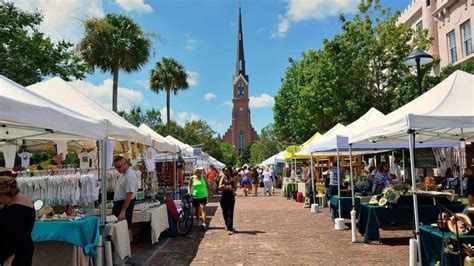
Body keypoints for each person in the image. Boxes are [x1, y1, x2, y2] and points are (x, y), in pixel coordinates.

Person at [0, 168, 36, 266]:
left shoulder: (15, 211)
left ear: (2, 194)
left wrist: (8, 259)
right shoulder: (20, 199)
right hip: (22, 250)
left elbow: (11, 240)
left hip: (14, 256)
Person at [112, 156, 139, 232]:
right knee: (120, 228)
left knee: (123, 228)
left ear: (125, 164)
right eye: (116, 167)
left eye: (119, 167)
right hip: (120, 203)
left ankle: (125, 243)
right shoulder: (124, 174)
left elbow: (129, 194)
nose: (117, 169)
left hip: (123, 204)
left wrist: (123, 210)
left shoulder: (129, 175)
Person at [219, 166, 237, 235]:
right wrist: (223, 186)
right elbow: (219, 187)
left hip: (230, 197)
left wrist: (231, 189)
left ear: (230, 171)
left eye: (227, 170)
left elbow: (235, 188)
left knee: (230, 212)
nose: (225, 172)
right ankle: (227, 224)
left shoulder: (233, 178)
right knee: (224, 212)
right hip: (223, 197)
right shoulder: (222, 178)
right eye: (224, 171)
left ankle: (230, 228)